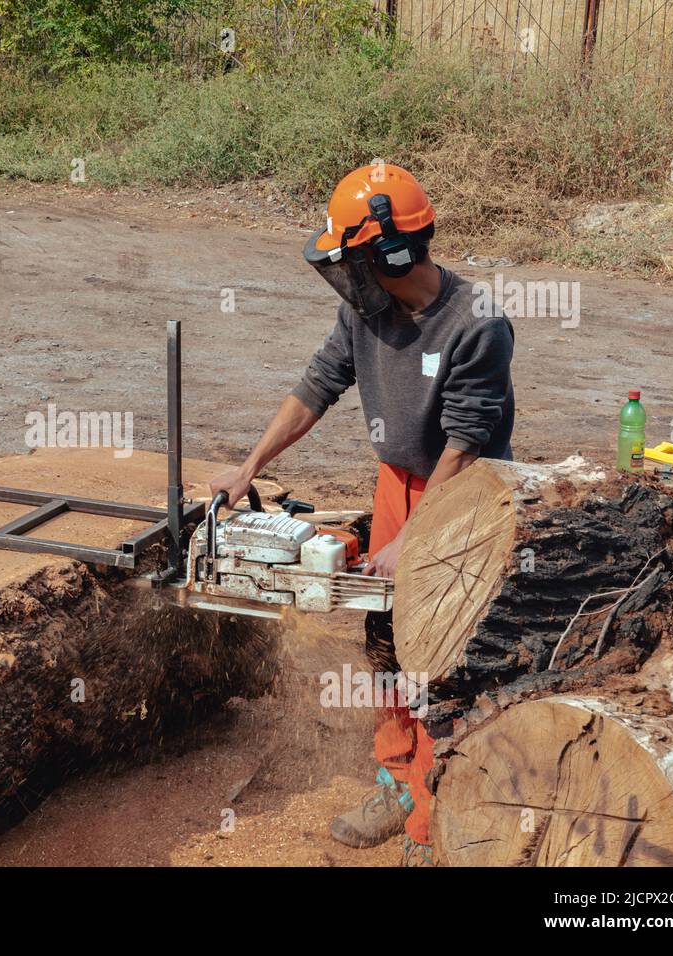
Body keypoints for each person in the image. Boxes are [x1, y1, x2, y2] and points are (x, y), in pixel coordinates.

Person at [209, 164, 515, 866]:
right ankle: (396, 780)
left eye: (352, 259)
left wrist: (414, 537)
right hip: (395, 482)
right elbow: (317, 386)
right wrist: (248, 466)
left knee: (440, 657)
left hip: (464, 497)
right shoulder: (365, 312)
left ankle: (432, 825)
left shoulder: (477, 324)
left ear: (389, 255)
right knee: (384, 643)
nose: (345, 275)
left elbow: (467, 446)